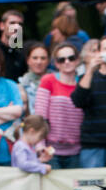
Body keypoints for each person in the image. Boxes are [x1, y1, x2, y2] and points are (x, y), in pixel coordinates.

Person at [71, 34, 106, 168]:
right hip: (92, 145)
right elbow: (78, 101)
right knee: (92, 188)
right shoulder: (86, 77)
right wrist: (90, 69)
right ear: (98, 52)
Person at [33, 40, 84, 168]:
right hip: (51, 150)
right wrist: (40, 146)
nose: (67, 62)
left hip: (77, 150)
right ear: (56, 63)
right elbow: (40, 117)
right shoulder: (48, 80)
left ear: (77, 60)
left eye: (71, 58)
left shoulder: (84, 83)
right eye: (62, 59)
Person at [0, 9, 27, 81]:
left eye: (20, 24)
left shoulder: (21, 54)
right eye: (12, 23)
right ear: (2, 26)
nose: (16, 27)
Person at [18, 42, 49, 115]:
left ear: (48, 61)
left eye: (43, 58)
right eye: (35, 58)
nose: (39, 62)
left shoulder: (56, 80)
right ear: (28, 60)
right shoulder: (21, 85)